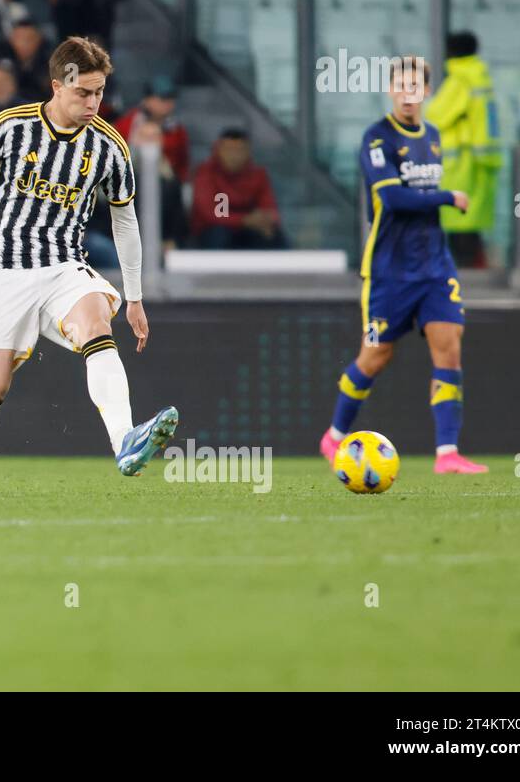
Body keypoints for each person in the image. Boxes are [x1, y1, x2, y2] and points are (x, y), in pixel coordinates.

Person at [0, 36, 177, 494]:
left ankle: (124, 442)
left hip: (65, 266)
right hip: (3, 268)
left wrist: (134, 297)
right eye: (83, 93)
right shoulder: (13, 126)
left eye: (100, 93)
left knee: (95, 324)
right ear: (56, 86)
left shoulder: (110, 147)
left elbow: (125, 222)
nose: (93, 103)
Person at [320, 56, 488, 475]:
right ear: (391, 90)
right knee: (375, 356)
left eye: (416, 86)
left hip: (435, 266)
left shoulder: (432, 137)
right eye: (401, 85)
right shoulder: (376, 140)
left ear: (426, 91)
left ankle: (447, 453)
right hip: (389, 271)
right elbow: (393, 199)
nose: (409, 93)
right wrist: (447, 197)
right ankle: (335, 436)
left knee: (449, 350)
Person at [423, 31, 502, 269]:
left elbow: (435, 115)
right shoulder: (480, 77)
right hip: (481, 162)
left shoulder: (461, 80)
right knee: (471, 226)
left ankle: (467, 277)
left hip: (462, 165)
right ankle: (476, 268)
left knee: (460, 225)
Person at [190, 128, 285, 249]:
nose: (234, 156)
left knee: (271, 235)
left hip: (249, 229)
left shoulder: (258, 175)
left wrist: (266, 219)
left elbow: (270, 208)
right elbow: (212, 214)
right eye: (229, 150)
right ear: (218, 150)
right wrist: (244, 220)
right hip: (216, 230)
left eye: (239, 150)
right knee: (219, 234)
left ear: (248, 152)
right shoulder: (207, 173)